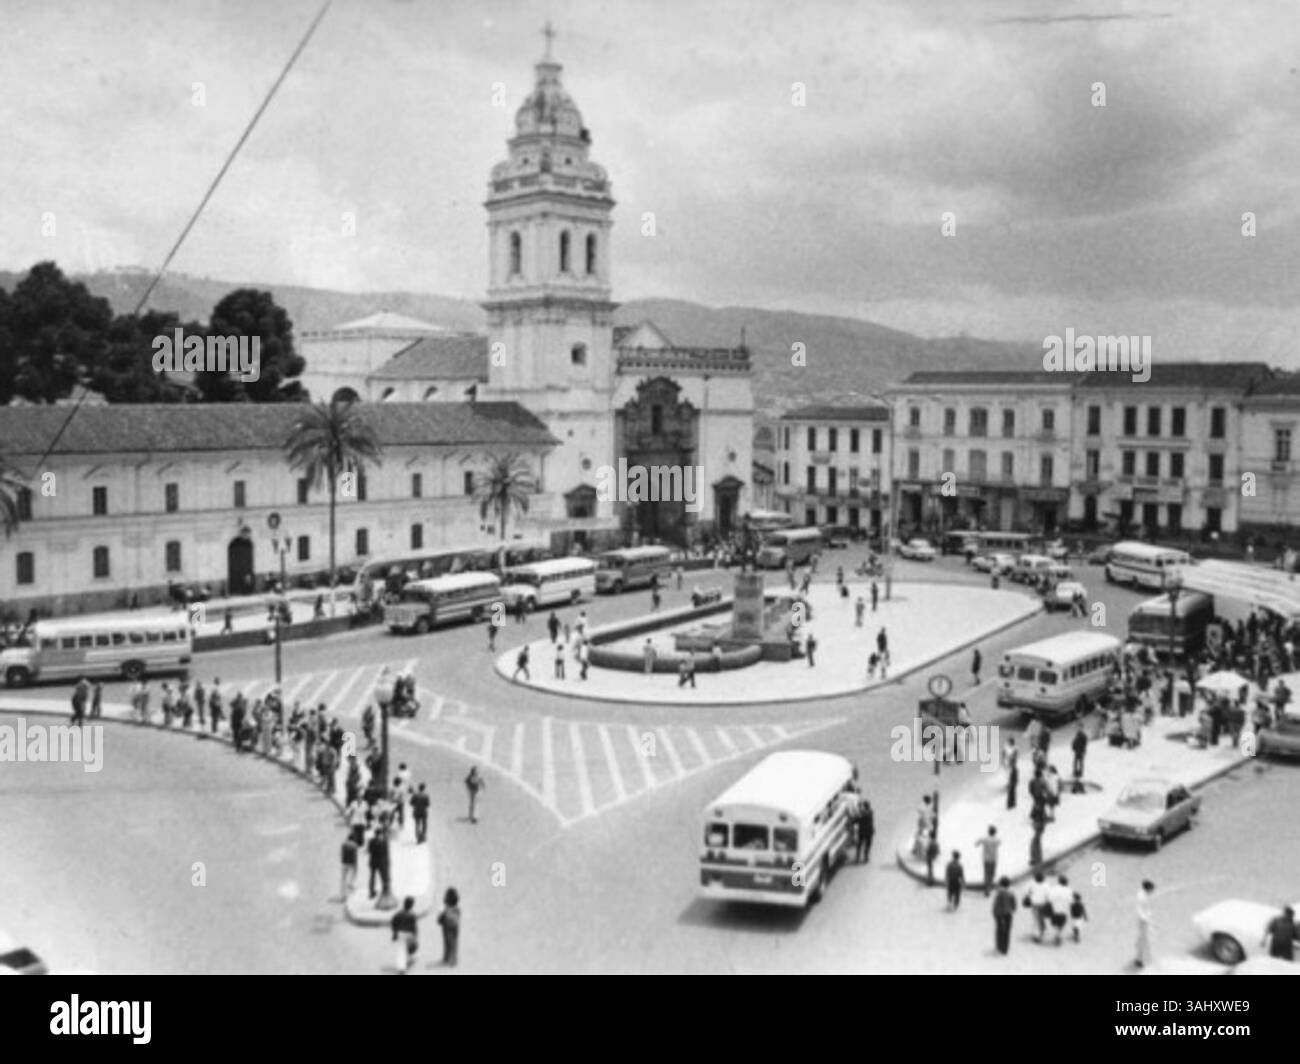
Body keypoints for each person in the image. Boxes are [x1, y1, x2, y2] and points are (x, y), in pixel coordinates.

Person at [391, 896, 419, 974]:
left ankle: (401, 968)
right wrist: (415, 936)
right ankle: (410, 959)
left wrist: (394, 932)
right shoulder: (412, 915)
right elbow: (414, 927)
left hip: (401, 933)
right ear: (411, 905)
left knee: (401, 950)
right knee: (410, 947)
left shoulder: (398, 914)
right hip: (409, 933)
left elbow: (393, 923)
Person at [992, 877, 1017, 955]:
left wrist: (994, 913)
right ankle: (1005, 949)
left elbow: (996, 904)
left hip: (999, 914)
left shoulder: (999, 893)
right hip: (1008, 914)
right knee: (1007, 931)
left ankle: (999, 946)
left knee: (999, 930)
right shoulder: (1011, 893)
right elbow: (1014, 906)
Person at [1025, 871, 1051, 943]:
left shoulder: (1032, 885)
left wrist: (1029, 896)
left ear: (1035, 879)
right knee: (1041, 918)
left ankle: (1037, 936)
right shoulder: (1046, 885)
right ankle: (1042, 930)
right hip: (1043, 904)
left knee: (1036, 919)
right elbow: (1049, 896)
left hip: (1035, 904)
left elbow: (1027, 893)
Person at [1135, 880, 1156, 969]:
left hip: (1144, 921)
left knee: (1143, 940)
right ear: (1148, 888)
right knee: (1144, 940)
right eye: (1152, 889)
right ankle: (1140, 960)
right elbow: (1140, 911)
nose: (1153, 891)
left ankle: (1143, 958)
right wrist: (1148, 920)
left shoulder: (1142, 895)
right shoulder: (1142, 897)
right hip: (1143, 922)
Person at [437, 888, 461, 967]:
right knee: (454, 942)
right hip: (455, 926)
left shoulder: (445, 908)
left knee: (446, 942)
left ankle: (446, 957)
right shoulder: (457, 908)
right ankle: (454, 960)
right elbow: (459, 916)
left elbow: (440, 918)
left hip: (446, 926)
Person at [974, 826, 1000, 897]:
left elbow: (976, 844)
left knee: (986, 874)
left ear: (988, 832)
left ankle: (987, 889)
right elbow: (999, 844)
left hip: (986, 859)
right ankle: (989, 888)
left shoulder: (985, 839)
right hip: (994, 859)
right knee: (992, 874)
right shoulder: (997, 840)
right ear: (995, 832)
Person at [1048, 875, 1073, 945]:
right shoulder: (1068, 890)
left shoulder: (1054, 889)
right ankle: (1058, 935)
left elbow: (1050, 899)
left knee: (1055, 924)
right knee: (1061, 924)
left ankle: (1057, 935)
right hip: (1064, 911)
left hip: (1055, 910)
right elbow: (1070, 901)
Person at [367, 828, 391, 900]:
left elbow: (369, 851)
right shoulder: (384, 842)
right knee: (382, 877)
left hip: (374, 862)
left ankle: (373, 892)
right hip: (381, 862)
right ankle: (380, 891)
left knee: (374, 877)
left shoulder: (371, 841)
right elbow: (386, 853)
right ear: (380, 834)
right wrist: (388, 863)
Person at [340, 832, 359, 899]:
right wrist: (356, 865)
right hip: (352, 863)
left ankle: (343, 895)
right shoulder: (354, 845)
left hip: (344, 863)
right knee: (352, 875)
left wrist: (343, 861)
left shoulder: (344, 844)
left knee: (343, 879)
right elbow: (355, 856)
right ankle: (351, 884)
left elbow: (342, 854)